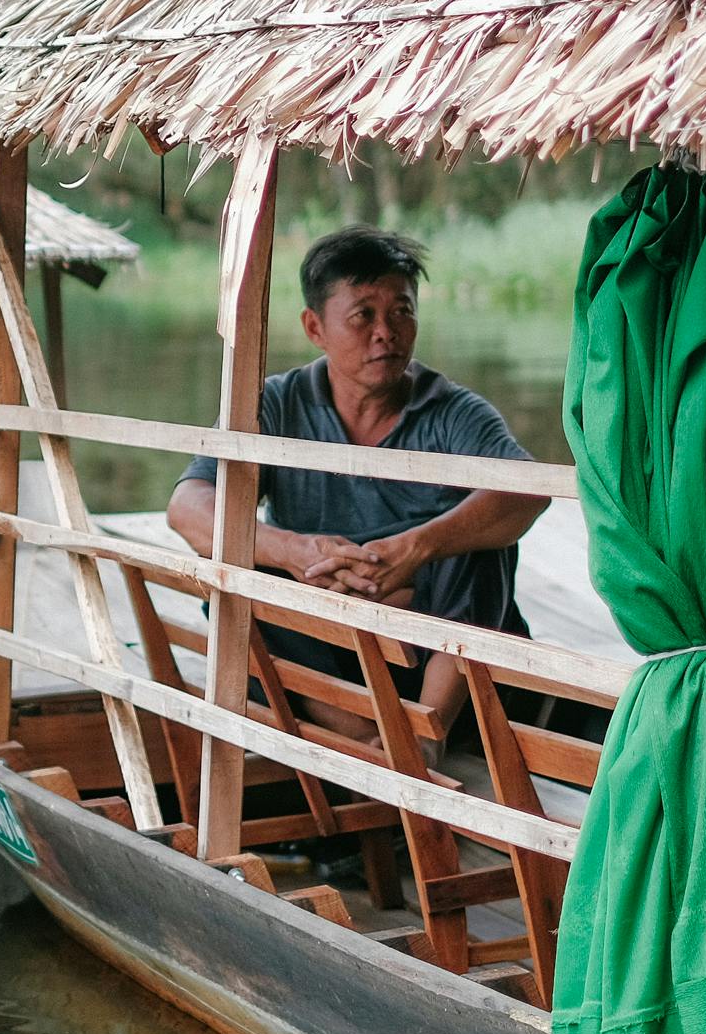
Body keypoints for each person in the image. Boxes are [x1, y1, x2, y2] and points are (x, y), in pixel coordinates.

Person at [166, 226, 546, 741]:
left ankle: (424, 742)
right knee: (236, 574)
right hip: (322, 650)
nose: (386, 332)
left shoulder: (452, 410)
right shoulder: (277, 403)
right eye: (363, 315)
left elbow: (527, 490)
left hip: (437, 665)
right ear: (315, 327)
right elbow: (187, 507)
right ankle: (366, 736)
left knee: (480, 546)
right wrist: (296, 552)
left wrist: (416, 549)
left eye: (402, 311)